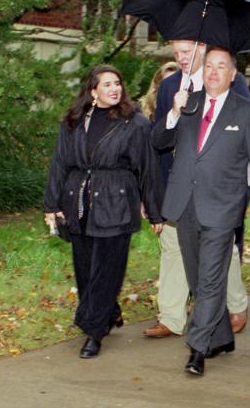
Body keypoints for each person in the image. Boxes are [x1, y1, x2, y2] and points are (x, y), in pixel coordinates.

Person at [151, 46, 250, 376]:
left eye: (221, 67)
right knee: (197, 277)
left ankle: (198, 346)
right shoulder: (187, 103)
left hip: (222, 207)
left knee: (211, 278)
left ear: (233, 75)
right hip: (184, 204)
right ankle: (221, 336)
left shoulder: (247, 112)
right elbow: (158, 141)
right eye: (209, 66)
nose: (214, 72)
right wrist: (173, 113)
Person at [43, 65, 164, 359]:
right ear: (93, 90)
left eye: (117, 83)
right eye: (107, 84)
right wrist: (51, 205)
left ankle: (94, 331)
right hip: (78, 203)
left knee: (106, 270)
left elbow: (147, 168)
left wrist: (155, 210)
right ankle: (108, 312)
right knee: (85, 269)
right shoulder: (73, 121)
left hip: (116, 204)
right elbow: (59, 163)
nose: (114, 89)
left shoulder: (134, 123)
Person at [144, 39, 250, 339]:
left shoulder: (232, 81)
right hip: (178, 184)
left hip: (217, 188)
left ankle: (236, 305)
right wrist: (175, 112)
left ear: (202, 48)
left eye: (186, 52)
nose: (180, 58)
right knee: (173, 247)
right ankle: (172, 317)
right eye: (176, 52)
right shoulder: (170, 87)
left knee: (220, 249)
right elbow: (160, 139)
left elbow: (244, 134)